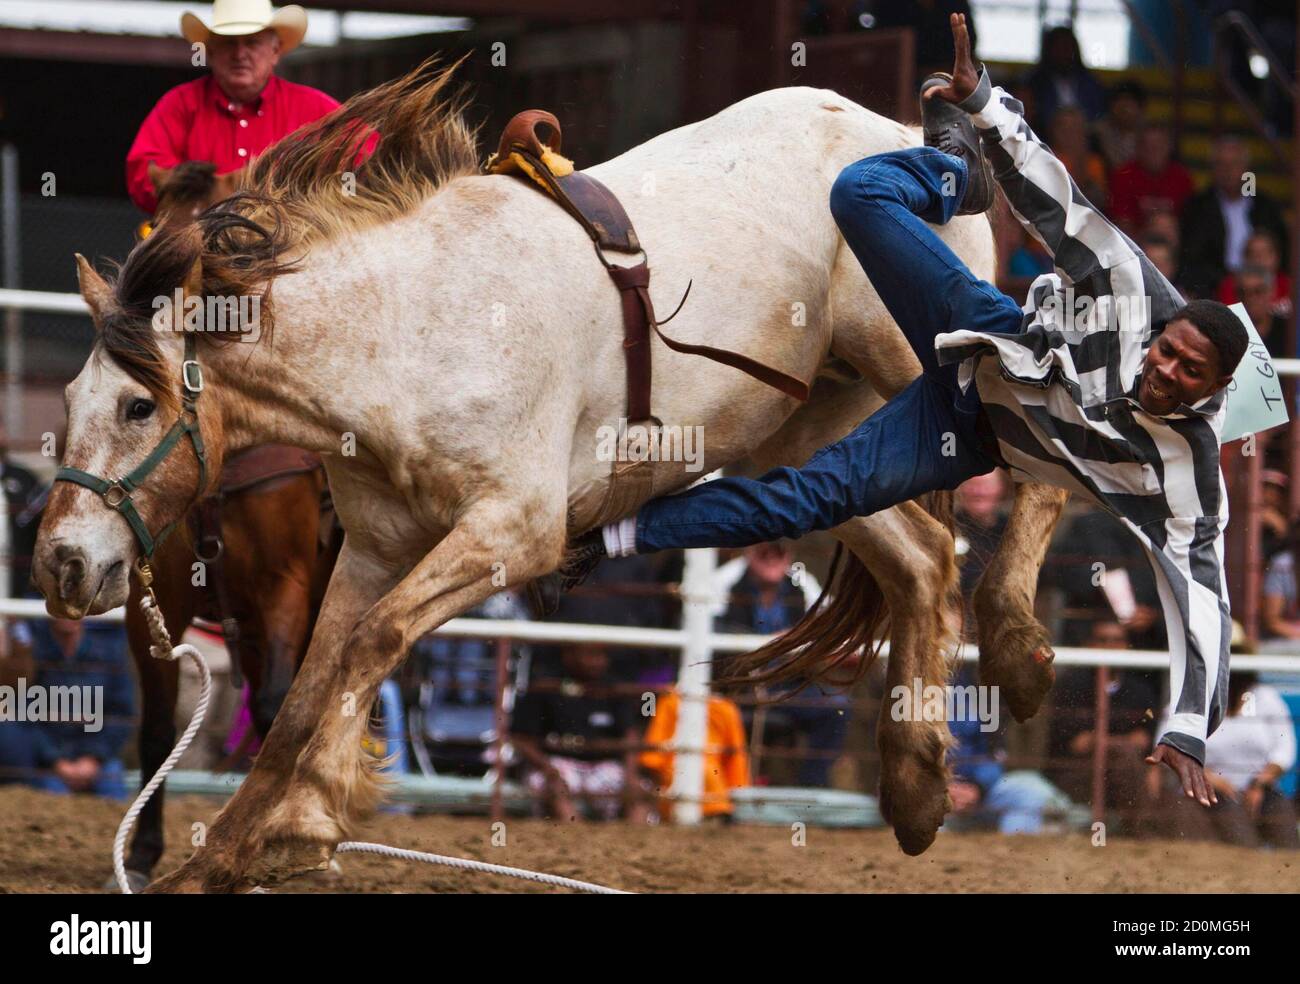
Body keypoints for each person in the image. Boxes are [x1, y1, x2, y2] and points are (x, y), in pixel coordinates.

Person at [552, 13, 1247, 811]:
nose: (1165, 371)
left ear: (1209, 391)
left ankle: (606, 536)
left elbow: (1203, 596)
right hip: (988, 333)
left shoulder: (1185, 470)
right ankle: (953, 170)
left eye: (1186, 372)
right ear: (1164, 329)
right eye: (1168, 351)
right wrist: (983, 100)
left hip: (967, 432)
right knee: (860, 189)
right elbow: (1059, 199)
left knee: (809, 496)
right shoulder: (1131, 288)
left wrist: (1190, 725)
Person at [125, 1, 340, 215]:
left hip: (294, 241)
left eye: (252, 42)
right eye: (229, 43)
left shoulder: (318, 109)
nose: (239, 54)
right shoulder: (179, 104)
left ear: (275, 51)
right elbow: (142, 173)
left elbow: (363, 158)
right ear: (210, 52)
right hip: (199, 240)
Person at [713, 541, 847, 787]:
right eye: (764, 549)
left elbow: (832, 623)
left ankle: (811, 789)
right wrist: (772, 643)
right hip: (737, 688)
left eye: (779, 549)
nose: (772, 556)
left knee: (836, 707)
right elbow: (713, 637)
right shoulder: (725, 580)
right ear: (748, 549)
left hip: (787, 685)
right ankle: (727, 793)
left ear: (789, 553)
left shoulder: (801, 582)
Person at [510, 642, 650, 822]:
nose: (597, 662)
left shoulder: (614, 688)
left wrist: (632, 776)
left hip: (603, 765)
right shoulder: (545, 686)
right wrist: (550, 771)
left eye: (601, 656)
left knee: (640, 793)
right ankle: (575, 842)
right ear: (569, 656)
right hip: (555, 763)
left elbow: (630, 734)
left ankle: (635, 847)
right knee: (557, 789)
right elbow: (521, 739)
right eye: (590, 655)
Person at [1158, 671, 1299, 849]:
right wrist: (1209, 778)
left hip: (1260, 789)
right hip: (1207, 791)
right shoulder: (1189, 698)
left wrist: (1259, 784)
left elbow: (1285, 749)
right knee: (1241, 840)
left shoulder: (1266, 697)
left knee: (1286, 833)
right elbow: (1170, 748)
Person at [1047, 619, 1160, 832]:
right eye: (1103, 640)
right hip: (1079, 777)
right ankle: (1143, 832)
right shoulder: (1070, 686)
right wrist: (1123, 744)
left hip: (1130, 777)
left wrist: (1101, 741)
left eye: (1117, 640)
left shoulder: (1141, 690)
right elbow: (1078, 744)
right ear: (1090, 644)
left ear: (1127, 645)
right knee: (1125, 755)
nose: (1110, 646)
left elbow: (1145, 742)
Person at [0, 618, 134, 797]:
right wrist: (56, 761)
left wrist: (93, 758)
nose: (67, 613)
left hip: (100, 762)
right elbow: (25, 714)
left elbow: (122, 715)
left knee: (115, 796)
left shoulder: (109, 656)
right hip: (49, 766)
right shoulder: (34, 657)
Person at [1179, 136, 1290, 299]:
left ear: (1246, 168)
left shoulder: (1264, 206)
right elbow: (1193, 259)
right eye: (1221, 164)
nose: (1228, 170)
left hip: (1264, 288)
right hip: (1215, 291)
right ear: (1213, 169)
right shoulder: (1198, 207)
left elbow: (1282, 252)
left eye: (1234, 164)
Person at [1107, 123, 1194, 234]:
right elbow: (1121, 224)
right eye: (1148, 147)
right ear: (1138, 148)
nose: (1154, 152)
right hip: (1134, 245)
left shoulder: (1182, 178)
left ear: (1169, 147)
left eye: (1159, 146)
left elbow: (1189, 225)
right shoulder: (1123, 176)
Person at [1215, 229, 1292, 318]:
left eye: (1264, 253)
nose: (1258, 259)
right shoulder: (1231, 286)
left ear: (1277, 257)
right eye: (1252, 254)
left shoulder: (1291, 286)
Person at [1093, 80, 1147, 172]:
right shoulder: (1097, 134)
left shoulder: (1150, 135)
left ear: (1140, 108)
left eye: (1129, 103)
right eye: (1119, 102)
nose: (1124, 109)